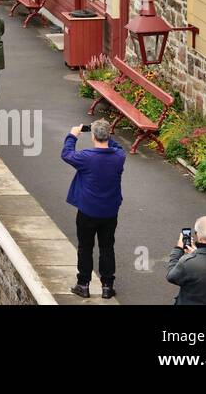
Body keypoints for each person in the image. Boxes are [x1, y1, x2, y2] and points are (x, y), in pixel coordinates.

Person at [62, 120, 126, 299]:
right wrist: (106, 134)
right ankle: (107, 286)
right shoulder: (119, 157)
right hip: (110, 211)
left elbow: (66, 154)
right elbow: (117, 146)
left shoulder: (86, 157)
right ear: (108, 135)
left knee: (85, 248)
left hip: (87, 211)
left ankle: (83, 284)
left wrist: (73, 134)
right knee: (107, 248)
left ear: (93, 137)